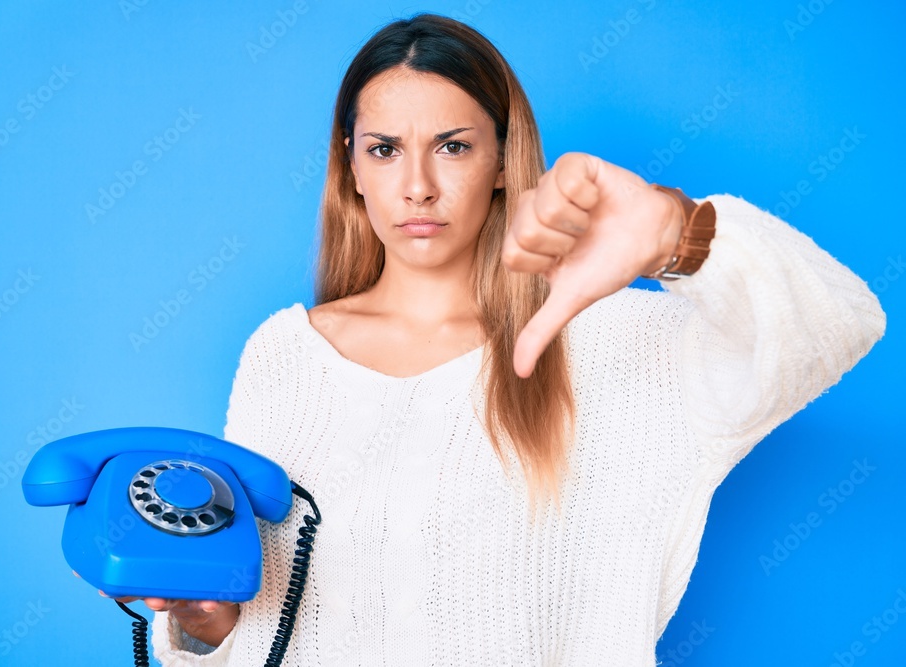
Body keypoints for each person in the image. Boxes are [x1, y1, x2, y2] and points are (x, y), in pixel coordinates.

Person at [133, 12, 885, 666]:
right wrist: (204, 624)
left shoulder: (618, 344)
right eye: (385, 149)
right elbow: (261, 619)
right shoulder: (283, 357)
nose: (418, 185)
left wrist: (675, 234)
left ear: (501, 159)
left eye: (453, 146)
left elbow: (841, 324)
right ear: (351, 165)